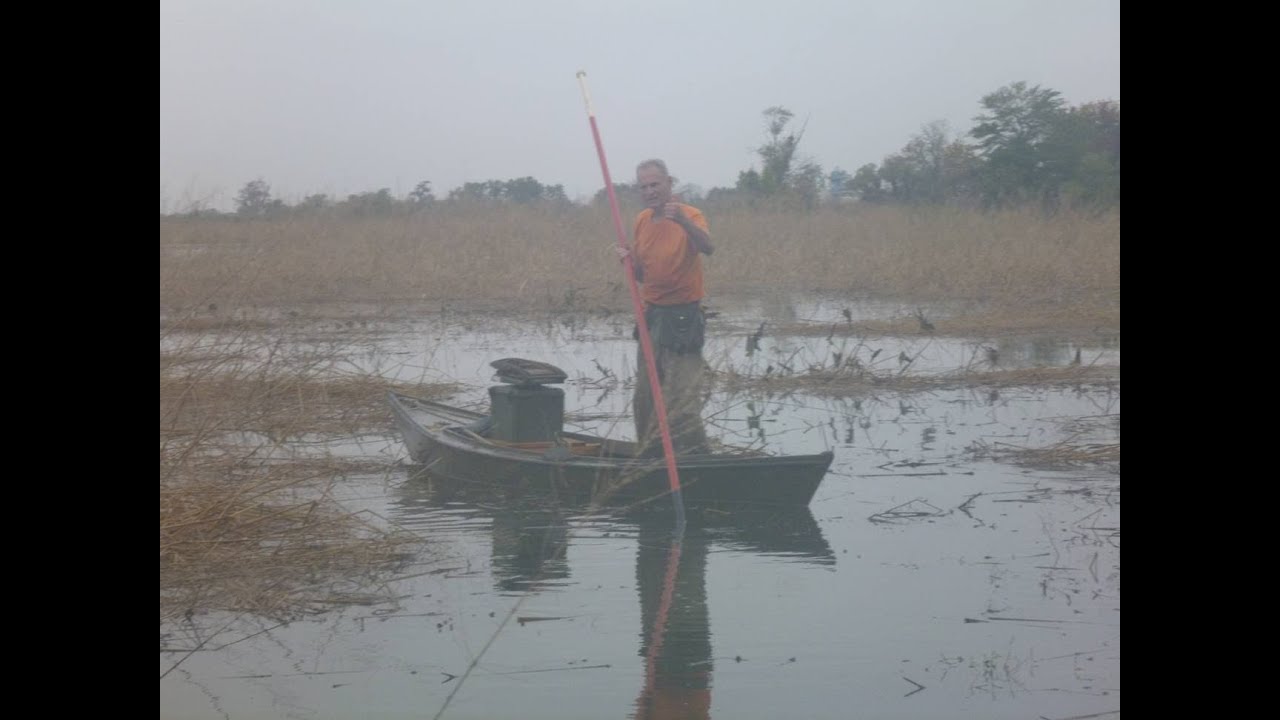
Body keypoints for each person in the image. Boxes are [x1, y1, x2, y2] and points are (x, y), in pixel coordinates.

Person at [618, 159, 715, 456]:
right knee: (646, 400)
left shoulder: (691, 214)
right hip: (652, 317)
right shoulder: (642, 220)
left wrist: (682, 222)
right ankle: (650, 460)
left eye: (655, 184)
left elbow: (708, 248)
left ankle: (698, 463)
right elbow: (644, 276)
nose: (649, 191)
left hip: (683, 317)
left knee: (683, 404)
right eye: (643, 186)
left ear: (669, 183)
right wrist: (628, 262)